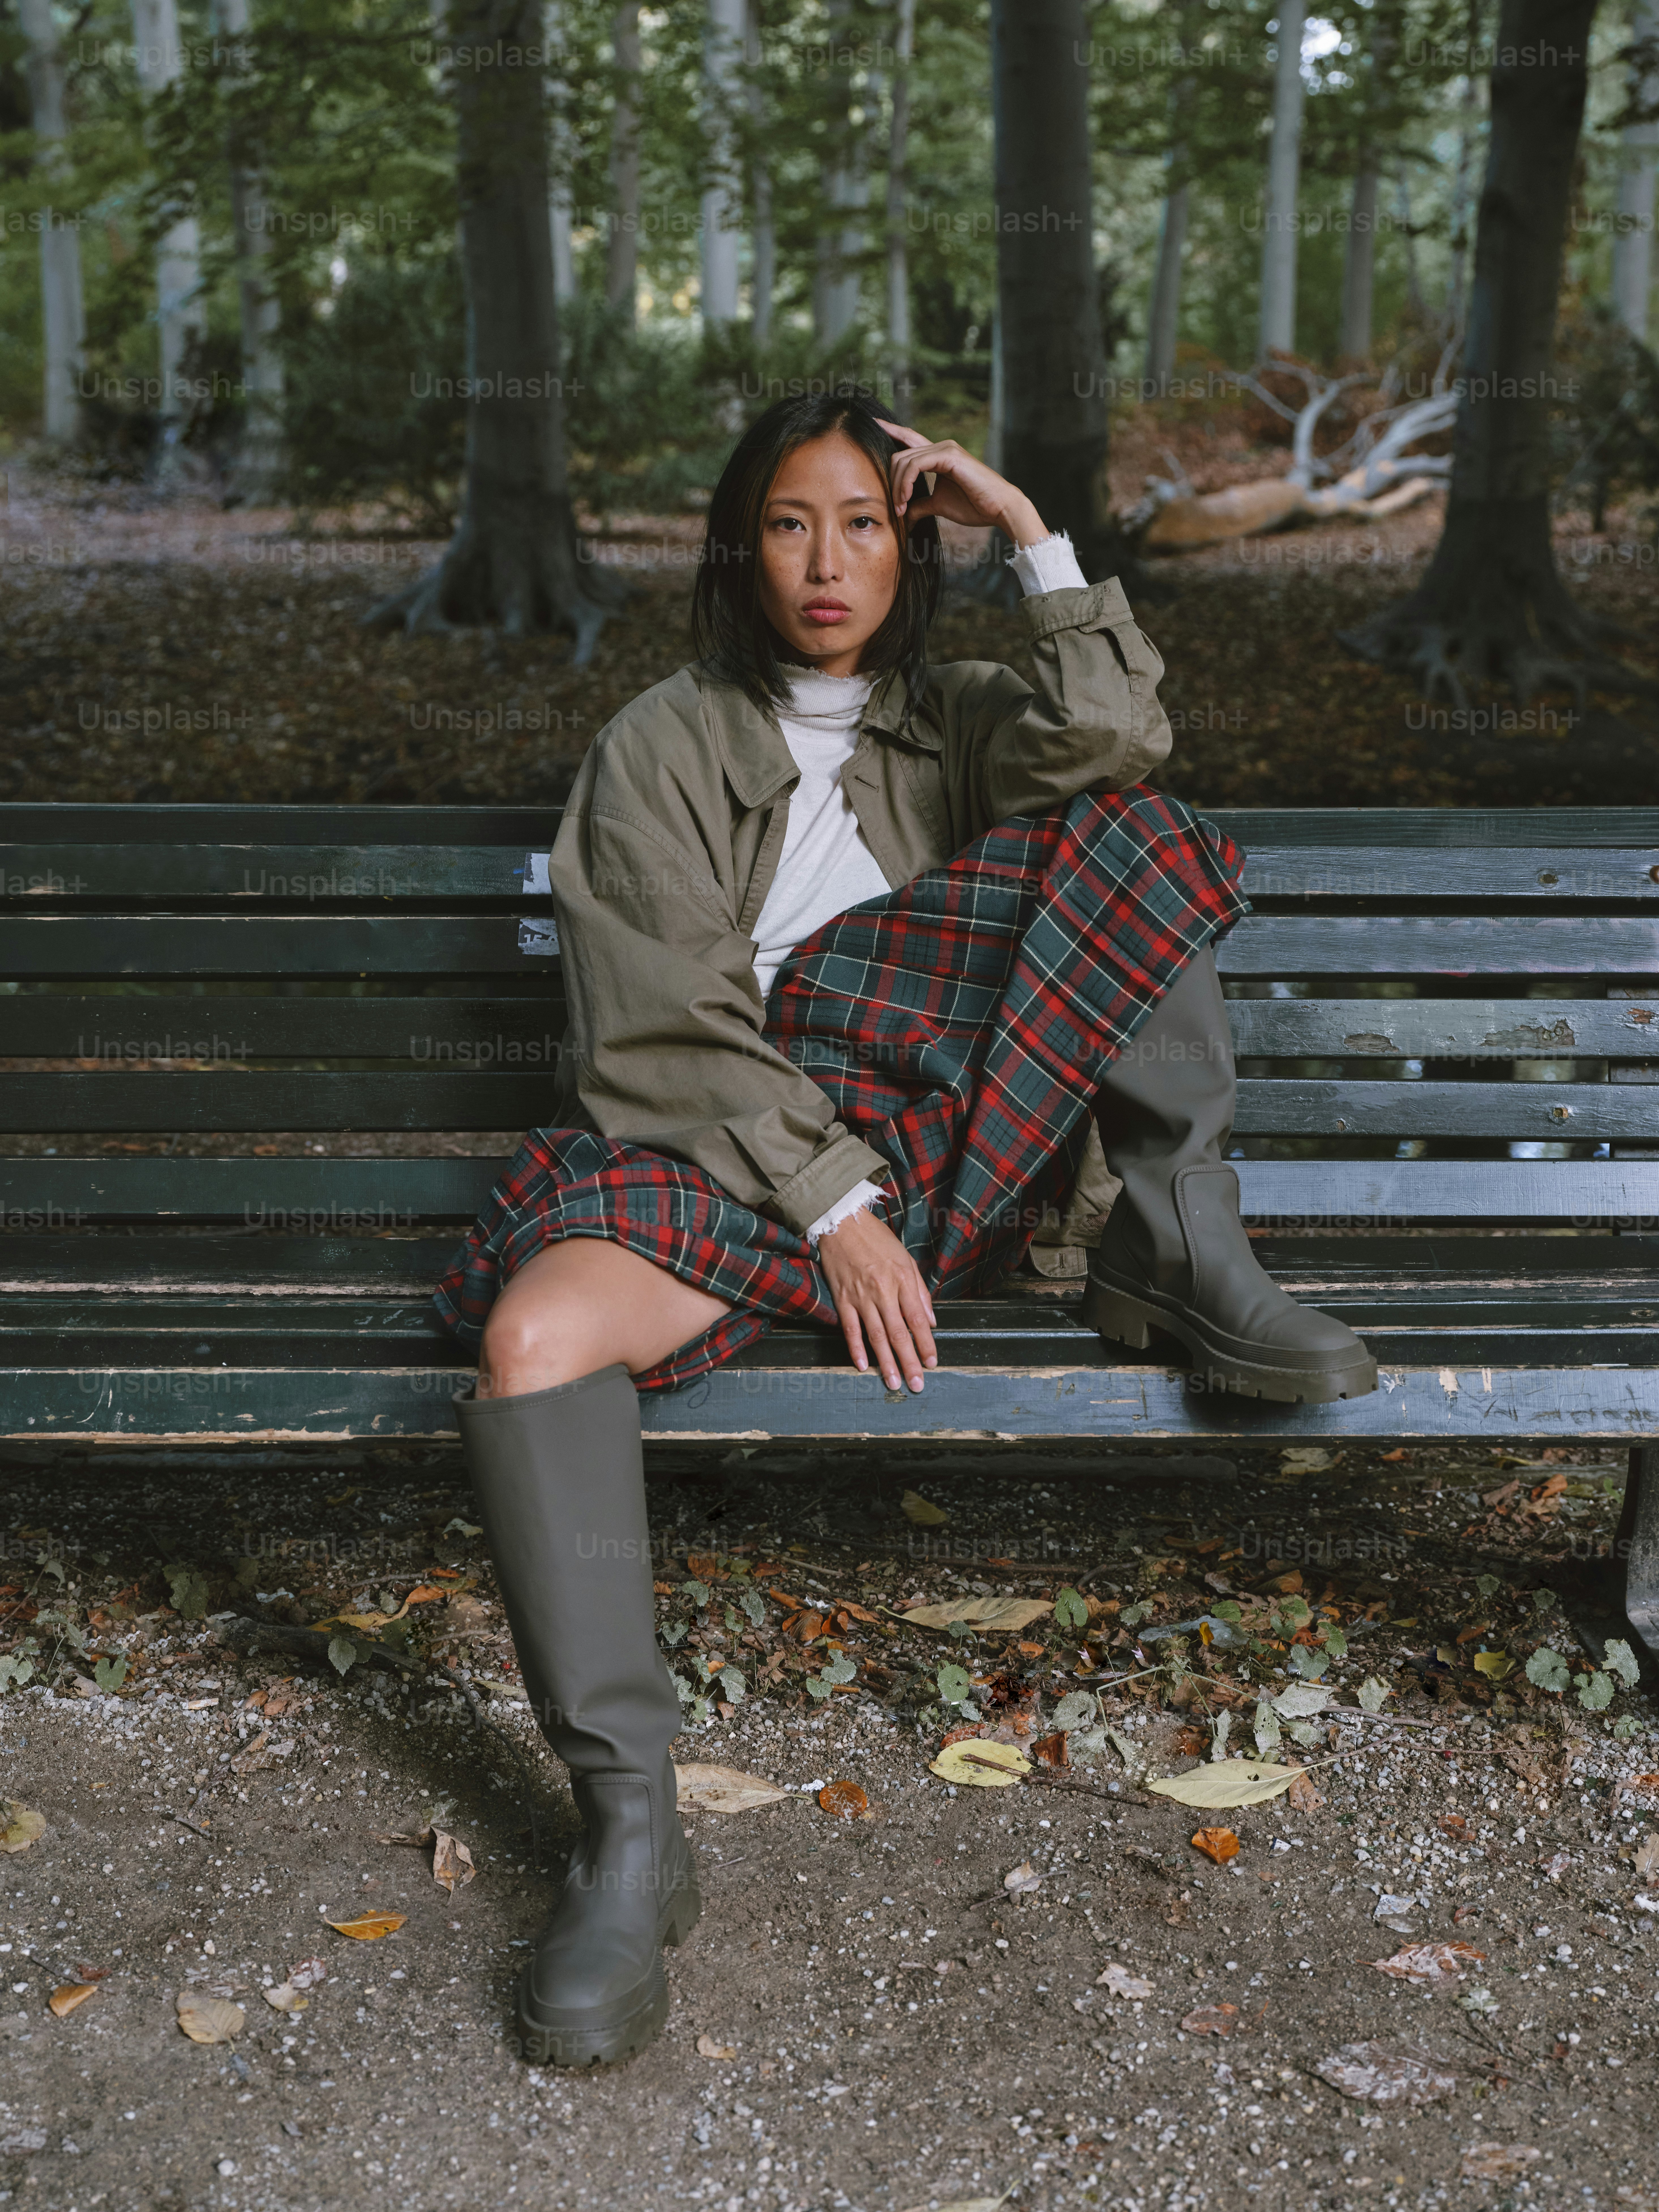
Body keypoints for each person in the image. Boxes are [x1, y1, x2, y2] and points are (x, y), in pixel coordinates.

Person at [432, 390, 1375, 2070]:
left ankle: (1181, 1240)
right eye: (790, 521)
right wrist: (836, 1203)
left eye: (866, 520)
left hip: (956, 1136)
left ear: (910, 543)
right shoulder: (656, 741)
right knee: (530, 1339)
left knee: (1132, 829)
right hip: (732, 1140)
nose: (826, 559)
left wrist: (1030, 534)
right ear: (740, 546)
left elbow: (1116, 749)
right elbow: (655, 1025)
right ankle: (630, 1837)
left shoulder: (964, 711)